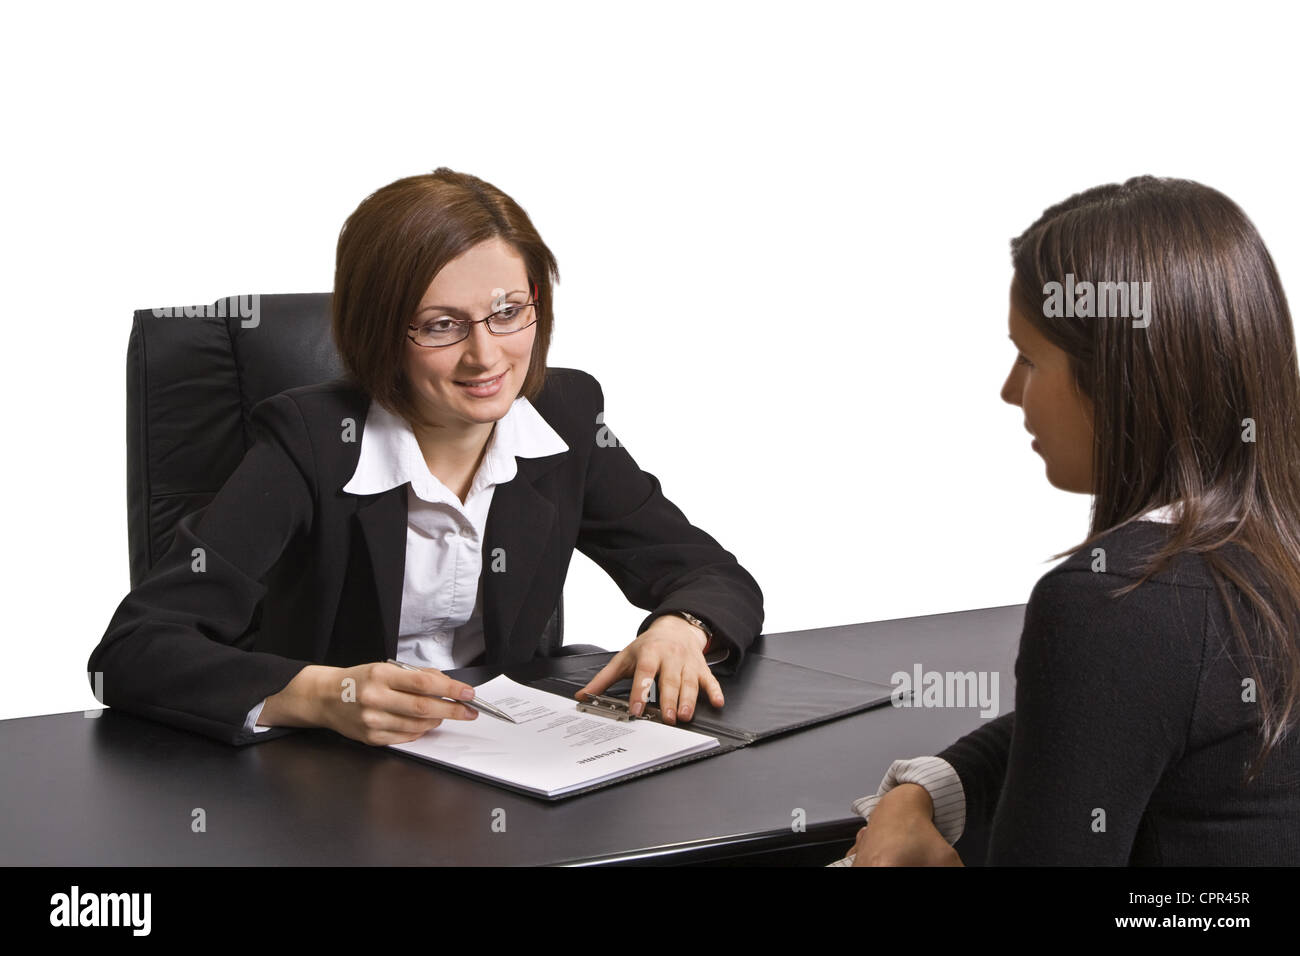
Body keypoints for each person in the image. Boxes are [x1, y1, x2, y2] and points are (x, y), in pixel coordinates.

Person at [89, 167, 764, 747]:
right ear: (379, 330)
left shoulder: (563, 418)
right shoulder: (311, 444)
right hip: (324, 791)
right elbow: (133, 651)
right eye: (442, 324)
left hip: (512, 769)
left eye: (509, 311)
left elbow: (709, 573)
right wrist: (322, 694)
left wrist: (684, 626)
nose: (486, 356)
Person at [840, 176, 1300, 865]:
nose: (1008, 390)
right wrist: (927, 788)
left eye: (1028, 357)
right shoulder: (1256, 562)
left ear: (1119, 377)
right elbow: (1107, 719)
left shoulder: (1112, 605)